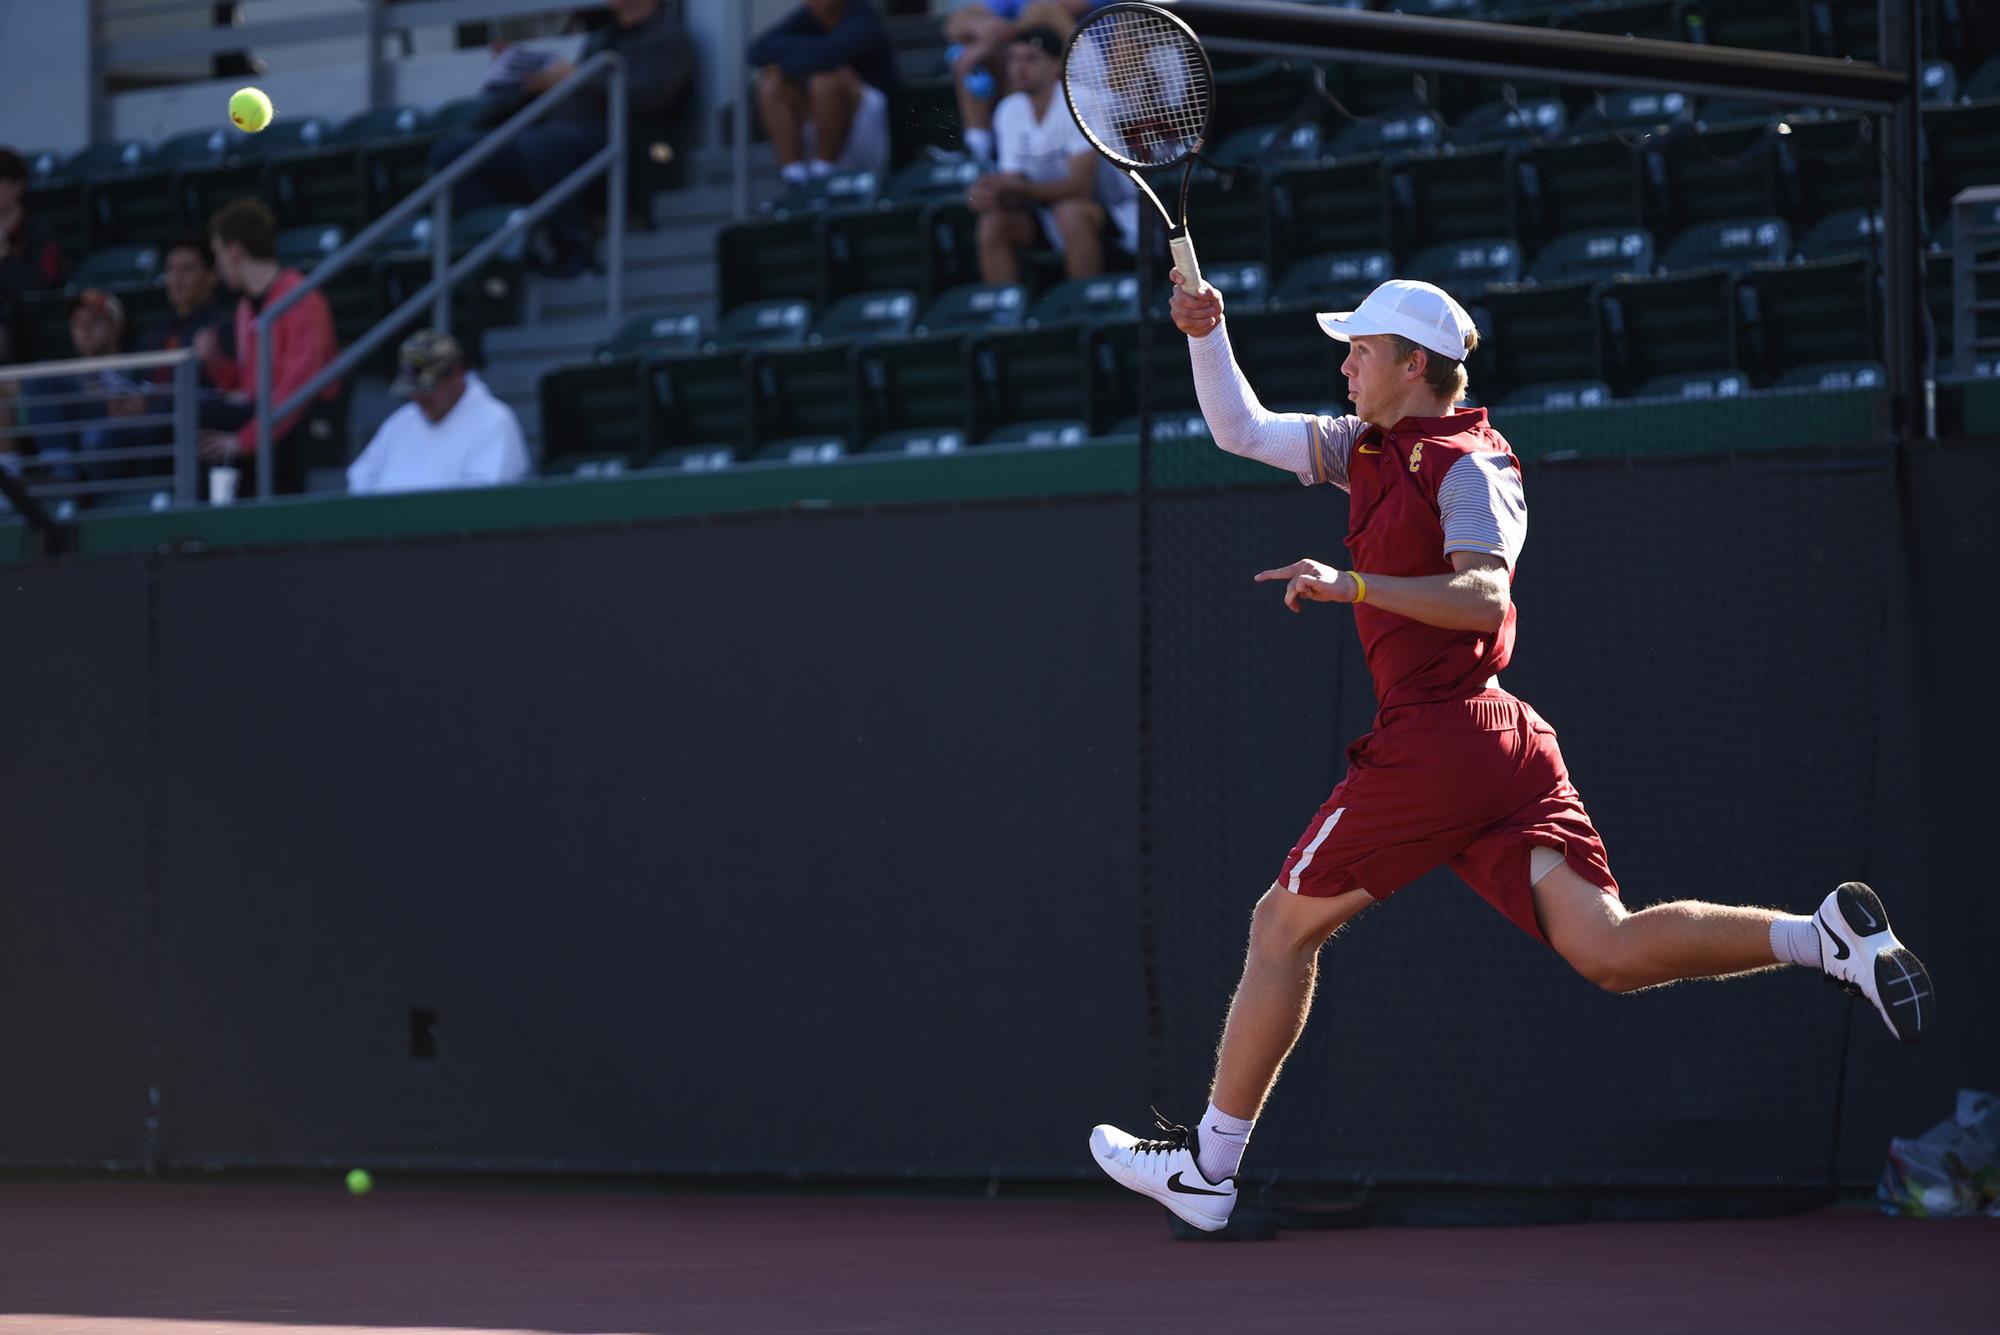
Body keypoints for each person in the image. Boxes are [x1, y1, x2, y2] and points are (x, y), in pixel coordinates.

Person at [1087, 275, 1936, 1234]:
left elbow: (1485, 596)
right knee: (1608, 949)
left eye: (1361, 349)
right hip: (1497, 748)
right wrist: (1208, 333)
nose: (1345, 364)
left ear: (1415, 365)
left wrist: (1351, 583)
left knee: (1279, 927)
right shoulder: (1367, 445)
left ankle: (1209, 1170)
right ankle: (1823, 938)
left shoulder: (1467, 466)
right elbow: (1240, 429)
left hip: (1443, 737)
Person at [430, 0, 694, 278]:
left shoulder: (669, 38)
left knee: (544, 144)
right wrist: (530, 75)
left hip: (625, 150)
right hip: (555, 139)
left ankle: (574, 249)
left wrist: (576, 77)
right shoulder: (602, 37)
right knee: (454, 152)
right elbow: (571, 92)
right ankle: (512, 254)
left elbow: (649, 98)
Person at [968, 26, 1135, 286]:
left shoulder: (1081, 101)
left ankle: (1081, 303)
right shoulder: (1008, 110)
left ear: (1057, 65)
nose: (1019, 67)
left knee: (1070, 213)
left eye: (1030, 59)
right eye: (1013, 59)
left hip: (1118, 212)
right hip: (1048, 213)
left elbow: (1081, 188)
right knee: (994, 223)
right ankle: (1005, 306)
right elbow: (1013, 182)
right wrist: (990, 194)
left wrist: (1014, 187)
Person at [197, 198, 340, 486]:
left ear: (235, 252)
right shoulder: (245, 307)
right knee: (191, 409)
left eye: (218, 254)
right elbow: (250, 385)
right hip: (267, 418)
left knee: (203, 416)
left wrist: (243, 441)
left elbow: (297, 388)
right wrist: (216, 363)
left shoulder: (302, 298)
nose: (218, 267)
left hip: (301, 424)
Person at [346, 331, 528, 494]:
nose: (418, 397)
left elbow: (481, 500)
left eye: (427, 387)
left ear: (457, 373)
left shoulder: (494, 420)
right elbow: (360, 481)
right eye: (413, 389)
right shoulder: (402, 420)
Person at [750, 0, 900, 192]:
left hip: (872, 127)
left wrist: (785, 62)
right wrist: (805, 55)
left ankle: (825, 172)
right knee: (772, 84)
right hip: (814, 121)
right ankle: (794, 175)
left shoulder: (863, 16)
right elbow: (758, 50)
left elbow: (829, 54)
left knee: (826, 81)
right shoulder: (805, 19)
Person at [942, 0, 1101, 165]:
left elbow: (1063, 8)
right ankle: (977, 150)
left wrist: (991, 37)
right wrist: (980, 28)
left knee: (1042, 10)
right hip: (1035, 57)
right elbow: (954, 26)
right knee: (966, 50)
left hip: (1090, 69)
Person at [21, 289, 153, 483]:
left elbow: (148, 396)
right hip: (80, 430)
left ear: (115, 326)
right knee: (39, 375)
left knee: (96, 436)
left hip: (116, 431)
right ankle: (60, 471)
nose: (84, 329)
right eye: (77, 323)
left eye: (94, 321)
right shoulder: (64, 379)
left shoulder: (137, 366)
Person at [0, 146, 64, 358]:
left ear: (18, 185)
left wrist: (7, 259)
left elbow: (43, 284)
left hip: (28, 331)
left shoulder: (39, 231)